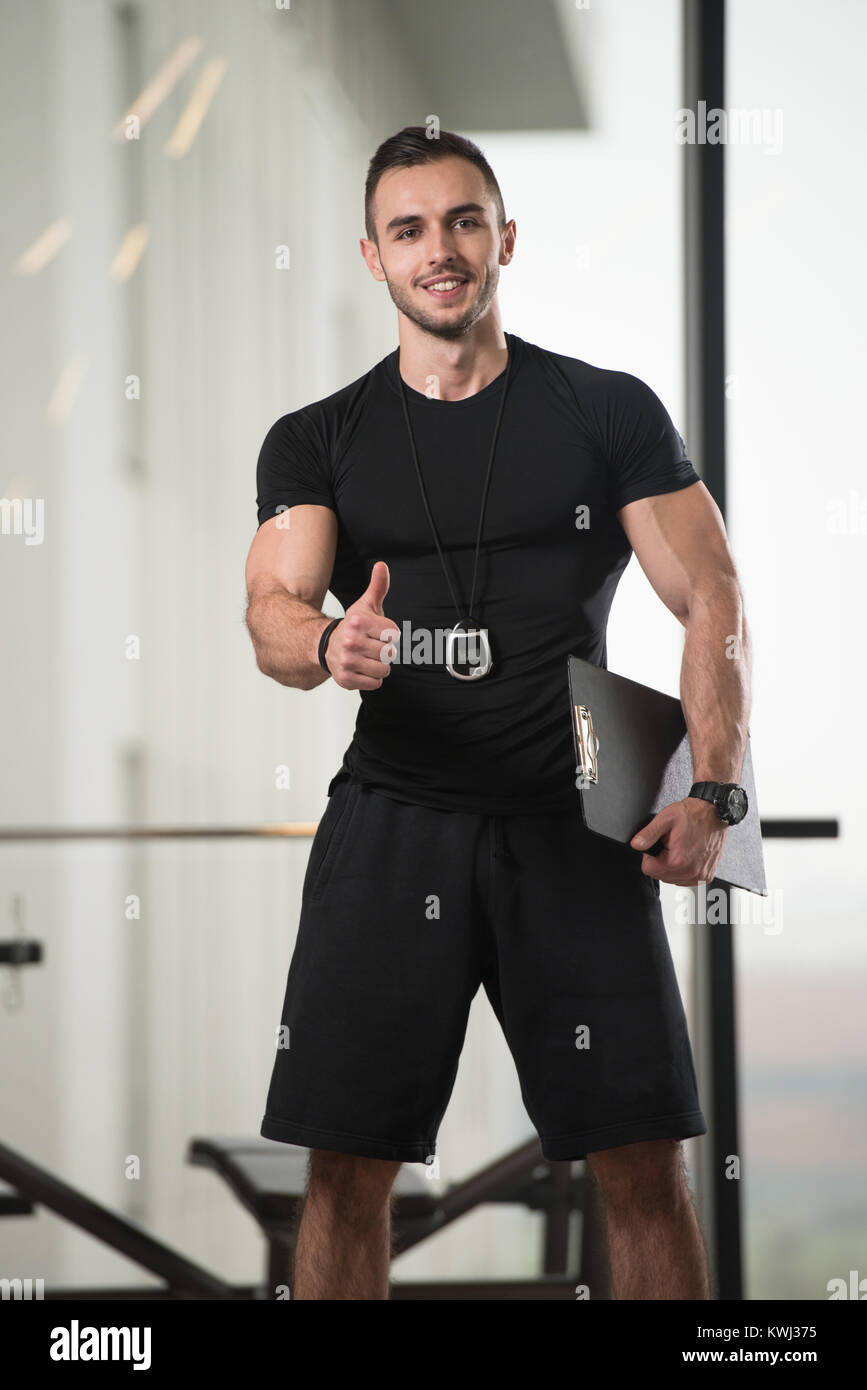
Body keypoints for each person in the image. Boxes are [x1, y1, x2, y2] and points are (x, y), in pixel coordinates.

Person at [244, 127, 751, 1301]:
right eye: (410, 229)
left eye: (465, 221)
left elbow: (711, 590)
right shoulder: (318, 437)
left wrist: (714, 788)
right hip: (394, 822)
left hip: (573, 827)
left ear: (504, 238)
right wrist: (327, 639)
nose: (442, 249)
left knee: (640, 1162)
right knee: (345, 1167)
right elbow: (269, 608)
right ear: (372, 256)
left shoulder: (605, 412)